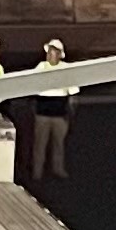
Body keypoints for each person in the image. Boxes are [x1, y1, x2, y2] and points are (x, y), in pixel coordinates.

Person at [33, 40, 75, 184]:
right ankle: (37, 172)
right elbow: (34, 86)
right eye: (49, 53)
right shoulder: (41, 67)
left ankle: (58, 169)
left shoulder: (66, 69)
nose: (50, 56)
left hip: (60, 114)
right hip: (43, 114)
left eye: (53, 53)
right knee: (40, 144)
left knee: (59, 144)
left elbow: (73, 89)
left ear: (59, 55)